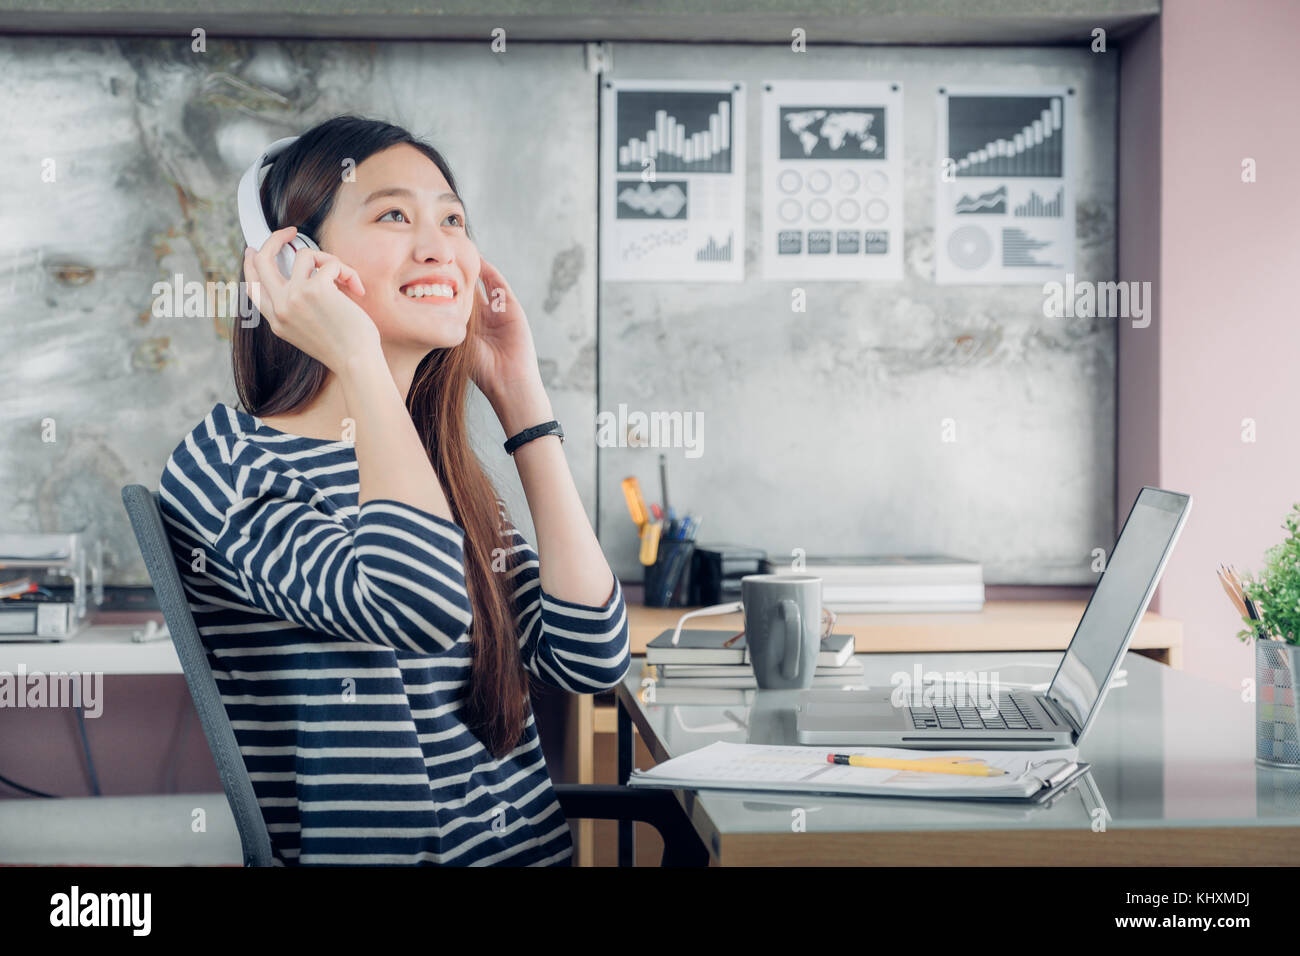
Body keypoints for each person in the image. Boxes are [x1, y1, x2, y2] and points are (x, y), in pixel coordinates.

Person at [159, 115, 629, 865]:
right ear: (296, 262)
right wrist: (354, 353)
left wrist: (522, 400)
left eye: (452, 218)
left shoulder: (435, 471)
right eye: (393, 215)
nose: (440, 244)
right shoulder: (229, 463)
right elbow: (415, 605)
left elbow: (590, 656)